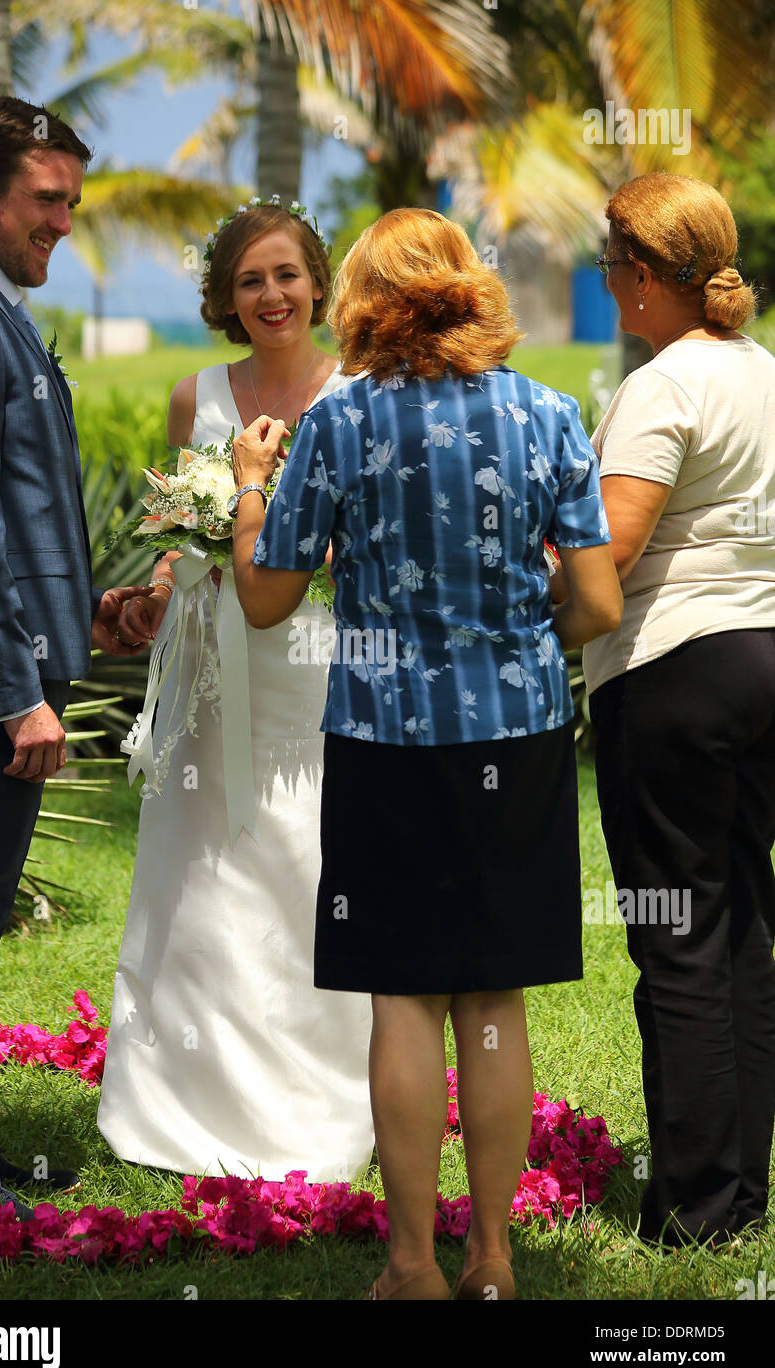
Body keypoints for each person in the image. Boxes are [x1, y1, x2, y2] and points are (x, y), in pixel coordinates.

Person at [231, 207, 622, 1299]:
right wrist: (517, 635)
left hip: (384, 739)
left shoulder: (336, 419)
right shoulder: (547, 415)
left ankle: (411, 1264)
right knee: (492, 1000)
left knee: (401, 998)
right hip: (519, 736)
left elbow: (266, 597)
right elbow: (594, 599)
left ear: (358, 296)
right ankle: (493, 1258)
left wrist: (246, 483)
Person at [96, 200, 375, 1182]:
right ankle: (179, 1096)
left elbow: (369, 544)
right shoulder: (194, 396)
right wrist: (157, 590)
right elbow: (177, 538)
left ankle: (322, 1106)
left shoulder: (358, 394)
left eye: (286, 275)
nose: (270, 295)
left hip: (314, 662)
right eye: (250, 279)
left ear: (316, 283)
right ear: (226, 294)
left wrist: (281, 539)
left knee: (308, 858)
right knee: (202, 856)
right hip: (211, 657)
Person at [0, 96, 151, 1220]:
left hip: (3, 666)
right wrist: (17, 695)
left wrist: (84, 612)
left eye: (71, 202)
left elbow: (16, 510)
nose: (63, 223)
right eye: (46, 201)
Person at [583, 172, 775, 1247]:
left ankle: (696, 1211)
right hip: (762, 656)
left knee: (677, 937)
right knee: (742, 925)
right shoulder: (761, 372)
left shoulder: (663, 385)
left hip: (673, 669)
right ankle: (739, 1192)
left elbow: (611, 552)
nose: (606, 284)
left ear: (648, 276)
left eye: (612, 267)